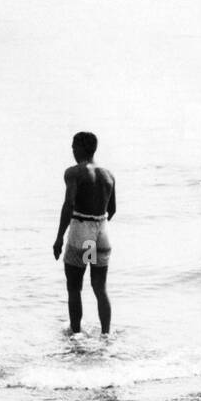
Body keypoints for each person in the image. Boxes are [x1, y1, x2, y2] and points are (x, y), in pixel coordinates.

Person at [52, 132, 116, 335]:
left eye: (73, 147)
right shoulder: (108, 175)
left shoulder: (74, 172)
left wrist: (59, 238)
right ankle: (106, 335)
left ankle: (76, 335)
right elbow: (112, 210)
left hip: (83, 232)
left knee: (74, 287)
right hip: (102, 232)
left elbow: (69, 204)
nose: (72, 150)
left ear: (80, 148)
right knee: (99, 287)